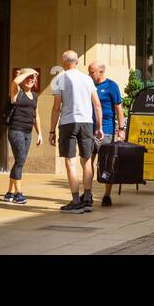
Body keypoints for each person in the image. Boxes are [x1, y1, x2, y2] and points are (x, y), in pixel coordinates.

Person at [48, 50, 103, 214]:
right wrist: (99, 127)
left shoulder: (60, 78)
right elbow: (97, 104)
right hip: (86, 122)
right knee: (86, 161)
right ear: (77, 62)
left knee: (70, 162)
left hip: (68, 123)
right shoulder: (87, 79)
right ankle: (87, 199)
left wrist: (51, 130)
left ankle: (76, 201)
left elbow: (57, 107)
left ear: (64, 62)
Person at [87, 62, 124, 207]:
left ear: (101, 72)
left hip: (106, 130)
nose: (90, 74)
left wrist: (121, 128)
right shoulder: (88, 84)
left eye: (92, 72)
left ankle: (107, 195)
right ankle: (87, 193)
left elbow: (119, 108)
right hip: (88, 128)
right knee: (87, 162)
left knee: (106, 163)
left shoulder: (111, 86)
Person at [3, 67, 42, 204]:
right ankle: (18, 193)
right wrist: (27, 73)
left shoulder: (35, 96)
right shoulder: (17, 92)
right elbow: (14, 82)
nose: (30, 80)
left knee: (20, 161)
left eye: (33, 78)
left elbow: (36, 115)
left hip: (28, 132)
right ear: (23, 77)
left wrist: (40, 133)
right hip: (16, 130)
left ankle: (9, 192)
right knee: (20, 160)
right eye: (28, 77)